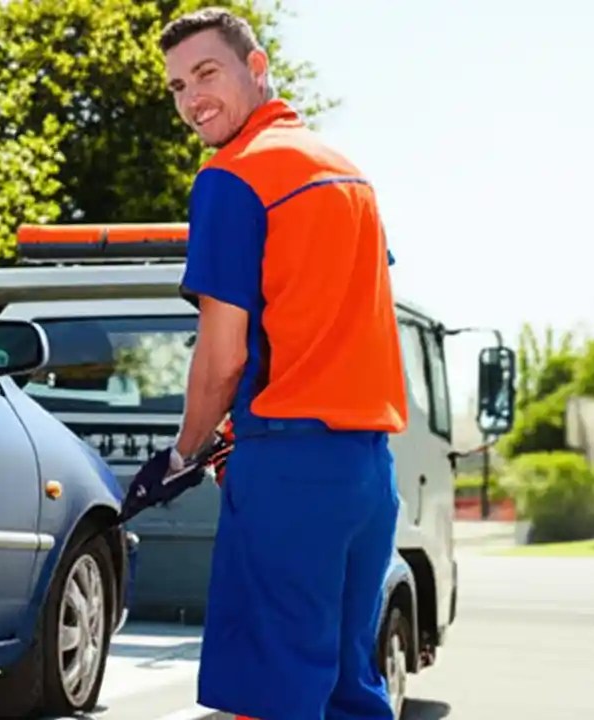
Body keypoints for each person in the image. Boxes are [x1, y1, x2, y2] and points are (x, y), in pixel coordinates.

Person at [158, 7, 408, 720]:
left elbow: (224, 356)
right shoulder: (347, 174)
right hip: (368, 473)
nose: (191, 98)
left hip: (288, 469)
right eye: (177, 86)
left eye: (206, 73)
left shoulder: (234, 178)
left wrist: (184, 451)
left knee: (275, 693)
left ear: (257, 65)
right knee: (348, 688)